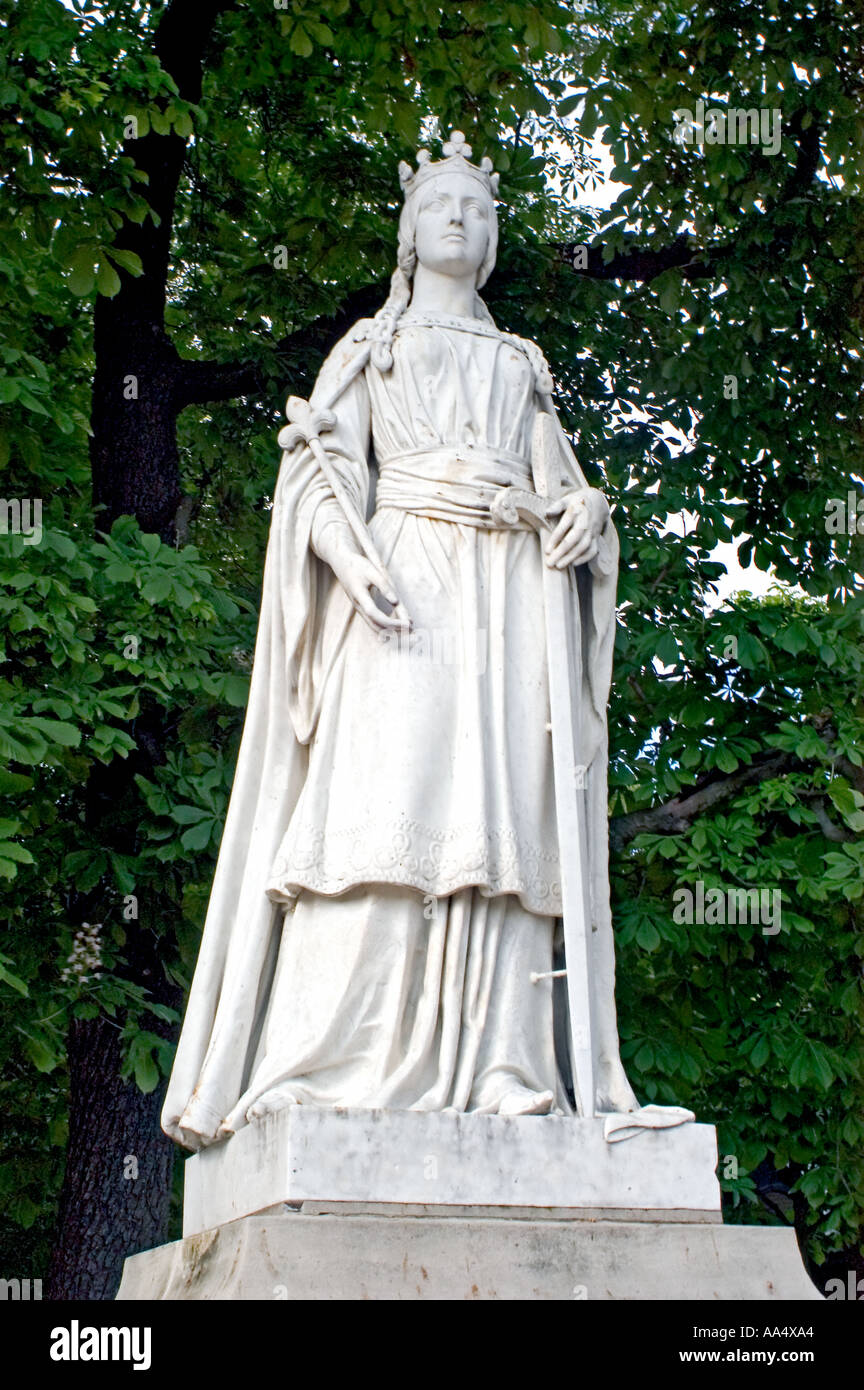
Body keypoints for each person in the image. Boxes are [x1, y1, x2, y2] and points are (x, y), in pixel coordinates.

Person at [162, 131, 640, 1152]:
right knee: (383, 803)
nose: (458, 217)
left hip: (513, 596)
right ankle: (330, 1064)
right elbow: (316, 473)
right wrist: (349, 551)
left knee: (507, 824)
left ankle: (508, 1066)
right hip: (404, 583)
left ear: (496, 235)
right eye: (439, 205)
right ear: (410, 233)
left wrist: (587, 517)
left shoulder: (521, 364)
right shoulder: (369, 350)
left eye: (476, 204)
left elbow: (563, 484)